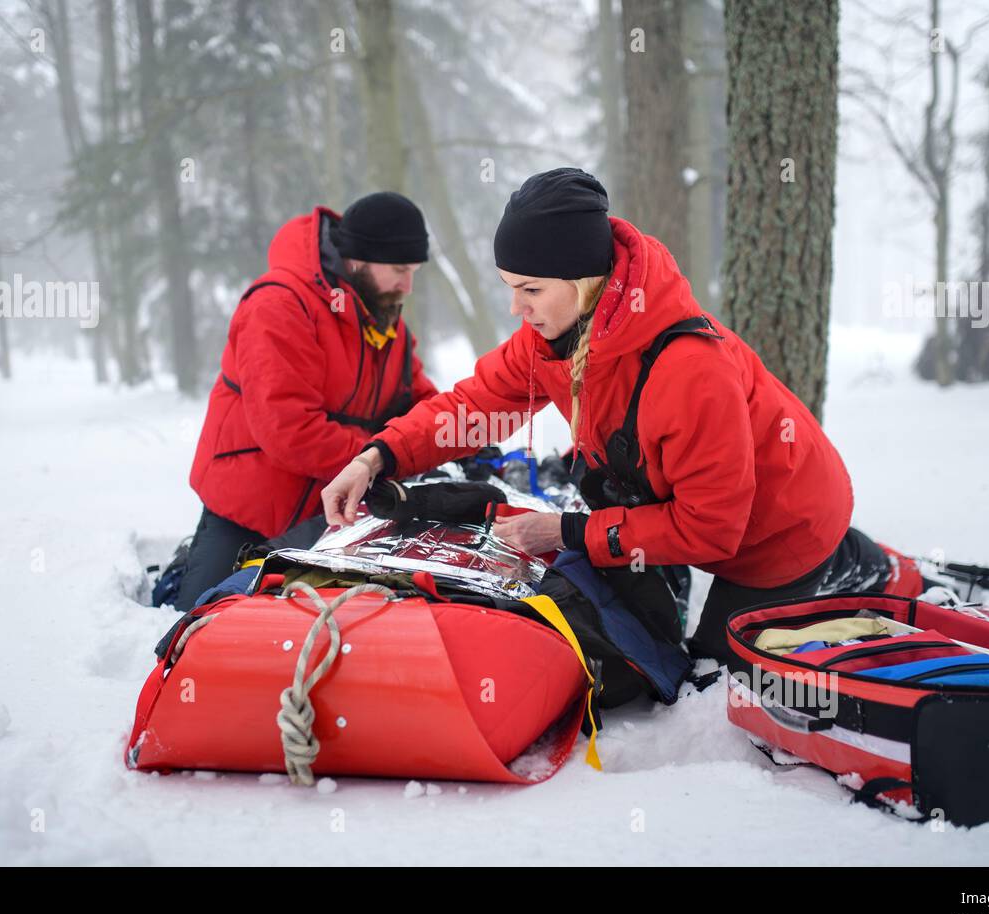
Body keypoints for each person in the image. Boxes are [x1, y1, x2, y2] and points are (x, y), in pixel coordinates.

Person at [320, 168, 856, 661]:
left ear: (583, 284)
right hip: (690, 508)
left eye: (530, 290)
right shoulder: (553, 336)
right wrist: (376, 458)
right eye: (511, 288)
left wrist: (568, 531)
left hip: (783, 531)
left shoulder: (691, 371)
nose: (517, 309)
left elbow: (711, 528)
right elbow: (470, 405)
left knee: (712, 679)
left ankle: (856, 569)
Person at [173, 192, 440, 610]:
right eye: (399, 269)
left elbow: (421, 404)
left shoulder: (386, 323)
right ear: (358, 259)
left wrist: (452, 436)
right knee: (197, 620)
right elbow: (290, 430)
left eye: (413, 272)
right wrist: (382, 457)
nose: (407, 285)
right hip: (248, 514)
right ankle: (186, 568)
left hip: (332, 517)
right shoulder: (280, 304)